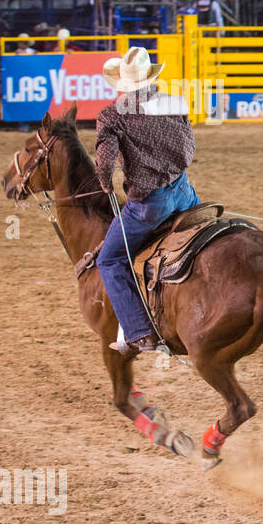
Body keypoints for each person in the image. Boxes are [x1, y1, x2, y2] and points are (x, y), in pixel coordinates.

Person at [94, 47, 202, 355]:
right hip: (183, 191)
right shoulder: (172, 102)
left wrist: (105, 185)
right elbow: (187, 151)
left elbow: (104, 162)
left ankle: (140, 332)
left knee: (110, 259)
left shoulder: (113, 115)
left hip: (148, 205)